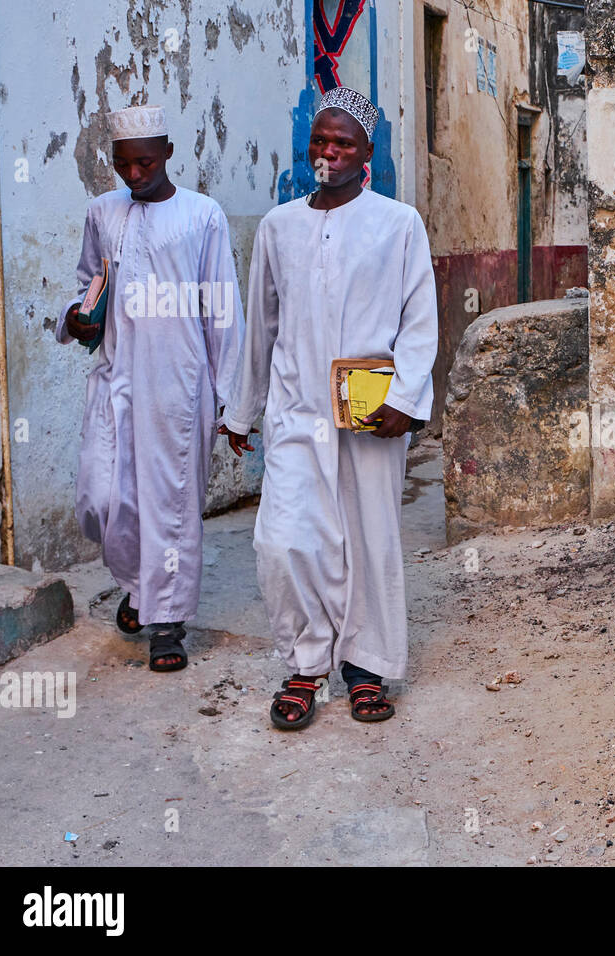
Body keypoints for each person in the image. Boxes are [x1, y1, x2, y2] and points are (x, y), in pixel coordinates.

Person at [221, 87, 438, 730]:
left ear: (366, 152)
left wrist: (406, 399)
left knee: (369, 539)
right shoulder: (278, 226)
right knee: (283, 541)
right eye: (320, 140)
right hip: (295, 409)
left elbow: (419, 320)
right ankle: (306, 662)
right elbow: (259, 325)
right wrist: (241, 411)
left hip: (371, 413)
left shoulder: (399, 223)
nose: (329, 152)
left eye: (343, 141)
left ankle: (366, 665)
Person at [58, 104, 244, 672]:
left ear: (167, 153)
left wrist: (232, 405)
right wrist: (76, 316)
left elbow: (223, 311)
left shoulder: (202, 216)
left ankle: (166, 623)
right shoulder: (102, 213)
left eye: (144, 163)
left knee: (169, 509)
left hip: (178, 385)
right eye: (122, 165)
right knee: (103, 497)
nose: (134, 176)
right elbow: (88, 284)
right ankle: (140, 588)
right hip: (115, 377)